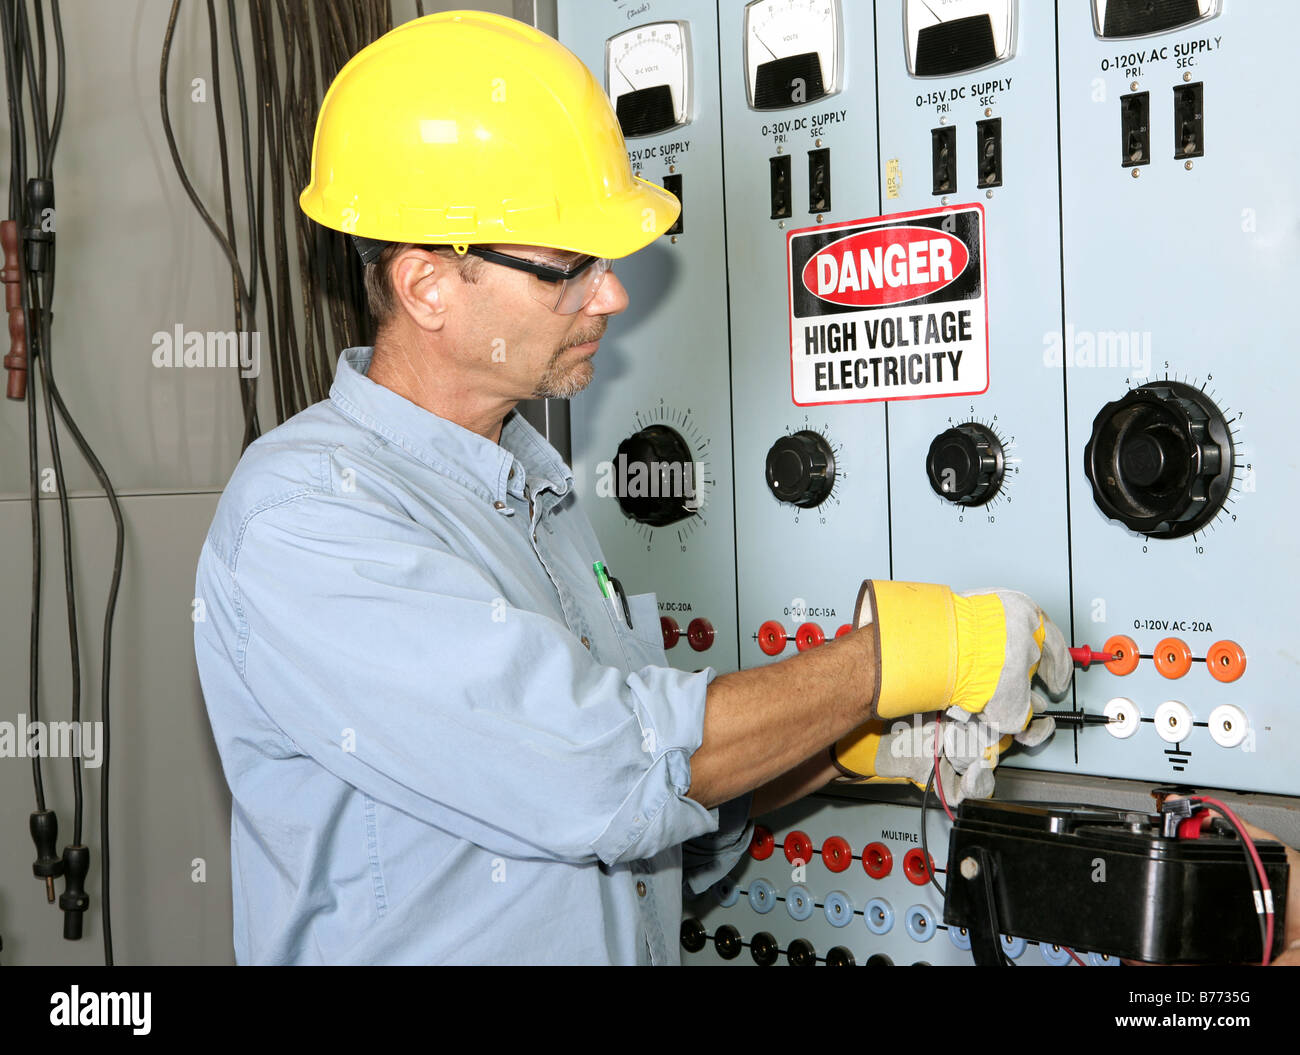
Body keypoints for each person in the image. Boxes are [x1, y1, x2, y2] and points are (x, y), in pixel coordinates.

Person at [192, 11, 1069, 965]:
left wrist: (839, 740)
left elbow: (653, 810)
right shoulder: (309, 516)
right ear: (427, 287)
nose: (609, 296)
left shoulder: (529, 492)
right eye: (570, 270)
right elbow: (598, 771)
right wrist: (893, 656)